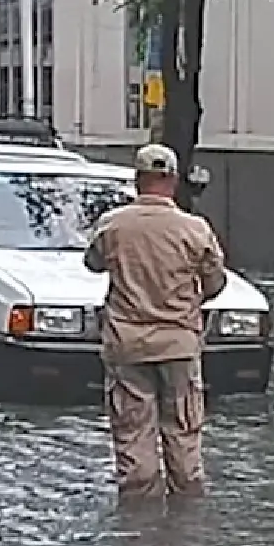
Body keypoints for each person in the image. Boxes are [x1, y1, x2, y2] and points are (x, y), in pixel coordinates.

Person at [83, 143, 229, 498]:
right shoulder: (195, 229)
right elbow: (216, 282)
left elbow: (92, 263)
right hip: (179, 345)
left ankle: (137, 520)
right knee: (184, 435)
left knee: (133, 437)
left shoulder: (112, 225)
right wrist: (189, 302)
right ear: (174, 180)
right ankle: (187, 519)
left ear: (137, 180)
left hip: (127, 345)